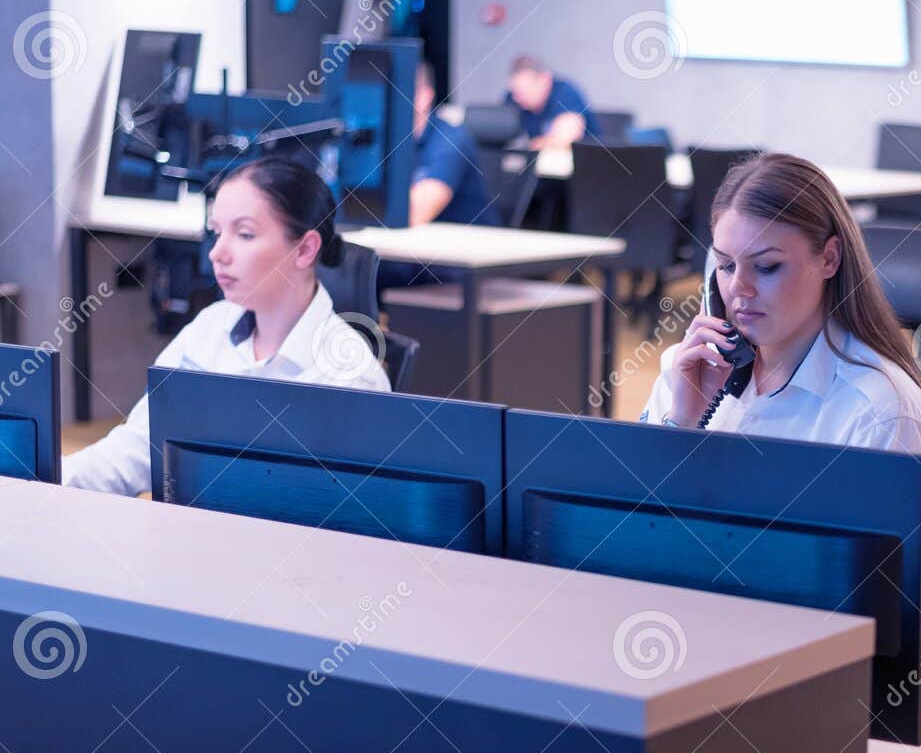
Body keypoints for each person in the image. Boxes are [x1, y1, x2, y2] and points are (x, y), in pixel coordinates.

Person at [638, 152, 921, 622]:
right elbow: (635, 532)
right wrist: (682, 423)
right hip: (696, 617)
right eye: (725, 266)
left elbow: (881, 603)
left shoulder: (879, 411)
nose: (739, 289)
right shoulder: (690, 371)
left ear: (829, 258)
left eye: (766, 267)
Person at [64, 157, 390, 497]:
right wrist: (48, 477)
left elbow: (356, 513)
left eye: (244, 234)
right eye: (217, 233)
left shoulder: (350, 377)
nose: (216, 253)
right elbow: (138, 447)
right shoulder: (209, 326)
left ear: (305, 249)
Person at [410, 61, 498, 228]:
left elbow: (415, 214)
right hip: (423, 240)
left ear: (423, 97)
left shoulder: (452, 141)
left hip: (472, 241)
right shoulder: (393, 142)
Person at [504, 54, 590, 149]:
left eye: (526, 91)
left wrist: (529, 145)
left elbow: (565, 139)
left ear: (545, 80)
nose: (517, 98)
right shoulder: (513, 98)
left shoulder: (564, 93)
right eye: (516, 93)